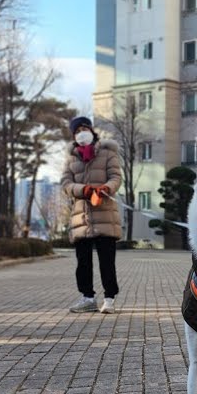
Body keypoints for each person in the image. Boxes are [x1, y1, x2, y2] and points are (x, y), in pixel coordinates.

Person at [61, 116, 123, 313]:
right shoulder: (71, 158)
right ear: (73, 135)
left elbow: (116, 177)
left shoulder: (107, 153)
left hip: (105, 214)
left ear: (92, 131)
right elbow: (65, 184)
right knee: (83, 263)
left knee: (107, 261)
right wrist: (83, 190)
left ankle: (109, 299)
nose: (82, 133)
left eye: (84, 128)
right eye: (77, 130)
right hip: (82, 218)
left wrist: (106, 188)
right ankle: (87, 298)